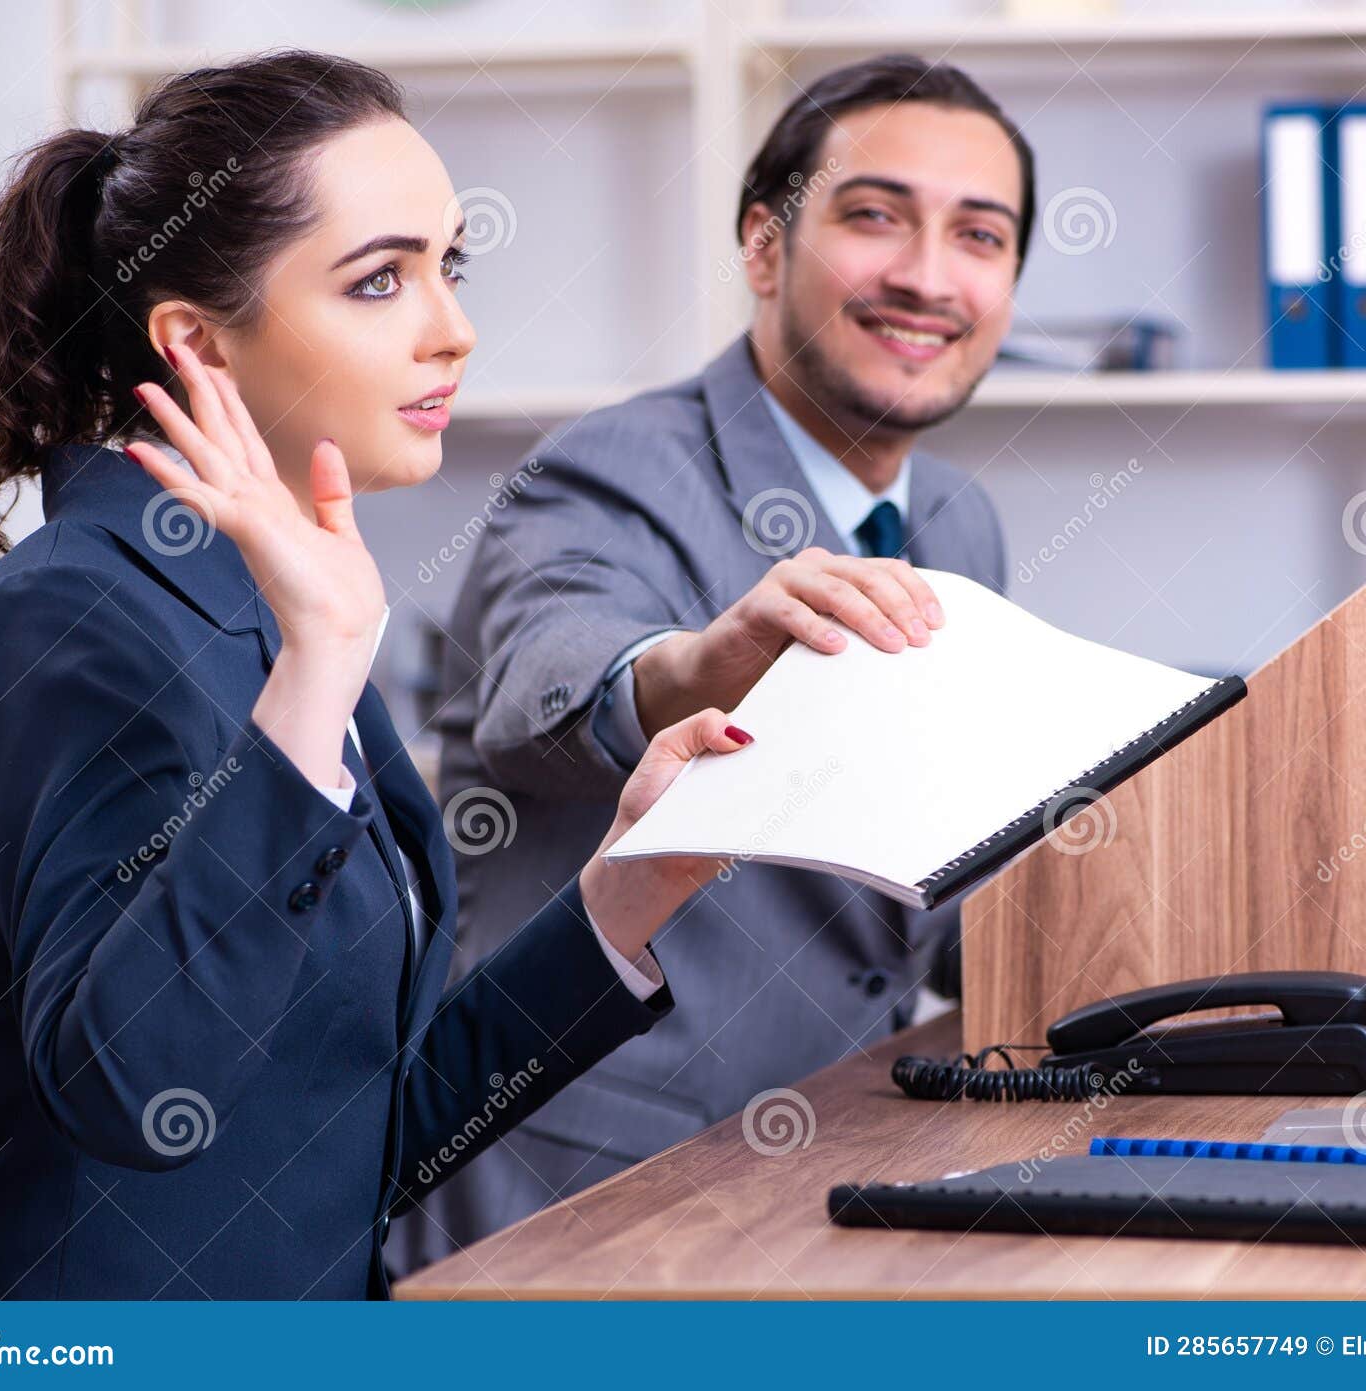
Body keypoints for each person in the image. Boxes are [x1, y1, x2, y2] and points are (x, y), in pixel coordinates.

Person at [0, 50, 821, 1301]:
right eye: (381, 279)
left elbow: (364, 1136)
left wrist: (621, 894)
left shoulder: (274, 604)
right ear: (196, 343)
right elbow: (130, 1086)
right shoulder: (70, 618)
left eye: (450, 265)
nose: (453, 327)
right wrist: (320, 669)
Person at [402, 54, 1027, 1268]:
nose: (927, 276)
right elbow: (544, 684)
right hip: (586, 1187)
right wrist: (703, 662)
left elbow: (920, 877)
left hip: (833, 1160)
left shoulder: (957, 521)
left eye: (980, 236)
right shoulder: (612, 466)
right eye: (871, 215)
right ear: (761, 247)